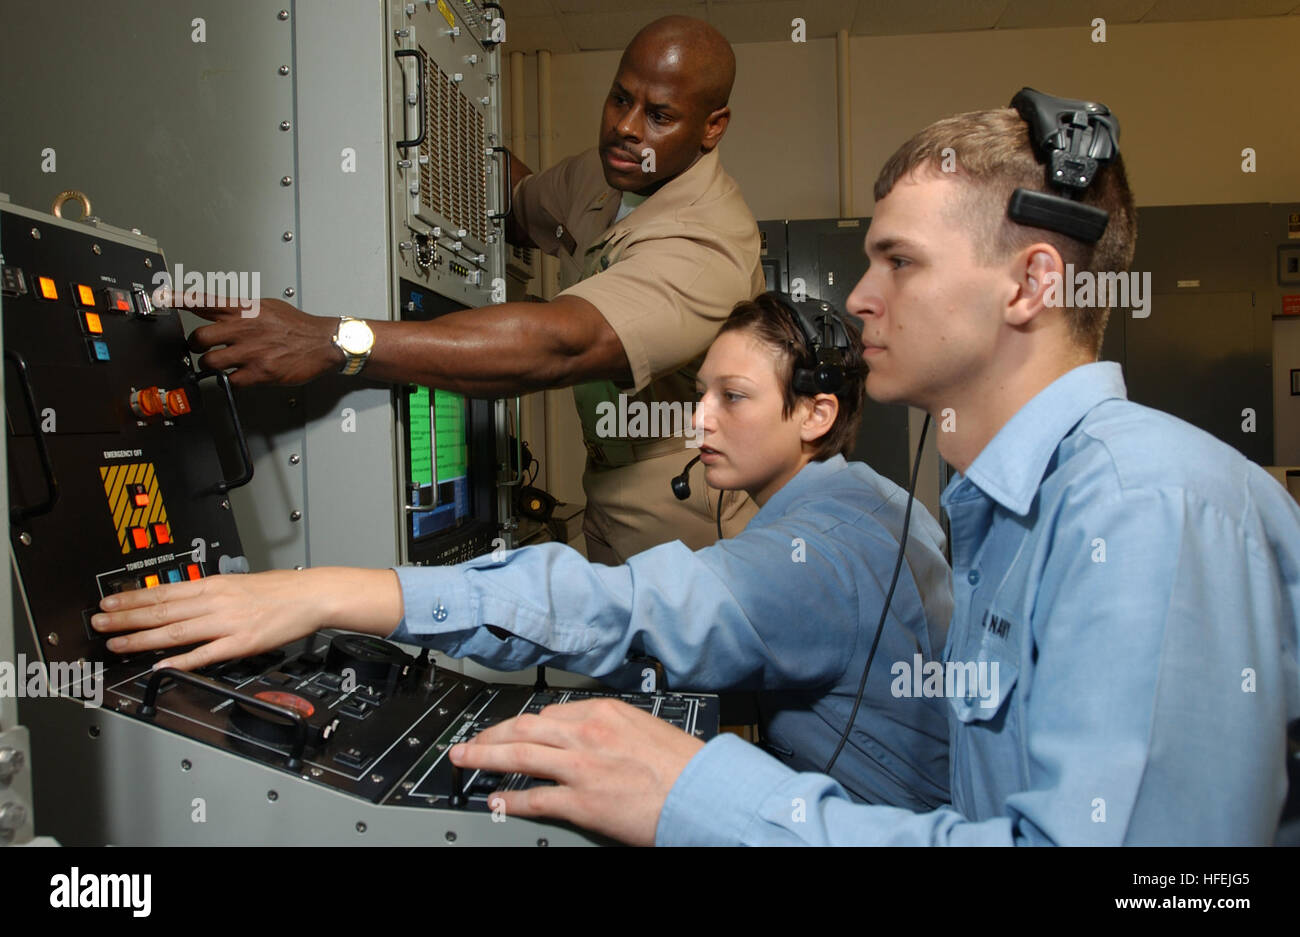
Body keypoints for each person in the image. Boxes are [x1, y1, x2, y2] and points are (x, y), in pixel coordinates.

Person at [409, 102, 1297, 846]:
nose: (862, 298)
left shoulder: (1146, 507)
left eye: (899, 261)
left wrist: (698, 789)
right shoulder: (1004, 508)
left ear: (1031, 283)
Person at [92, 293, 955, 809]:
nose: (697, 422)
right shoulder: (879, 501)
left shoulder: (820, 551)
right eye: (701, 394)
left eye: (733, 397)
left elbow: (628, 609)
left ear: (815, 414)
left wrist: (320, 592)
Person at [180, 15, 764, 563]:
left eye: (659, 116)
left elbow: (562, 346)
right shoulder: (610, 170)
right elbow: (514, 203)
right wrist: (418, 95)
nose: (626, 127)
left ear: (713, 127)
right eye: (619, 98)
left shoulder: (709, 243)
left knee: (674, 670)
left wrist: (334, 340)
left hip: (683, 504)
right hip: (606, 485)